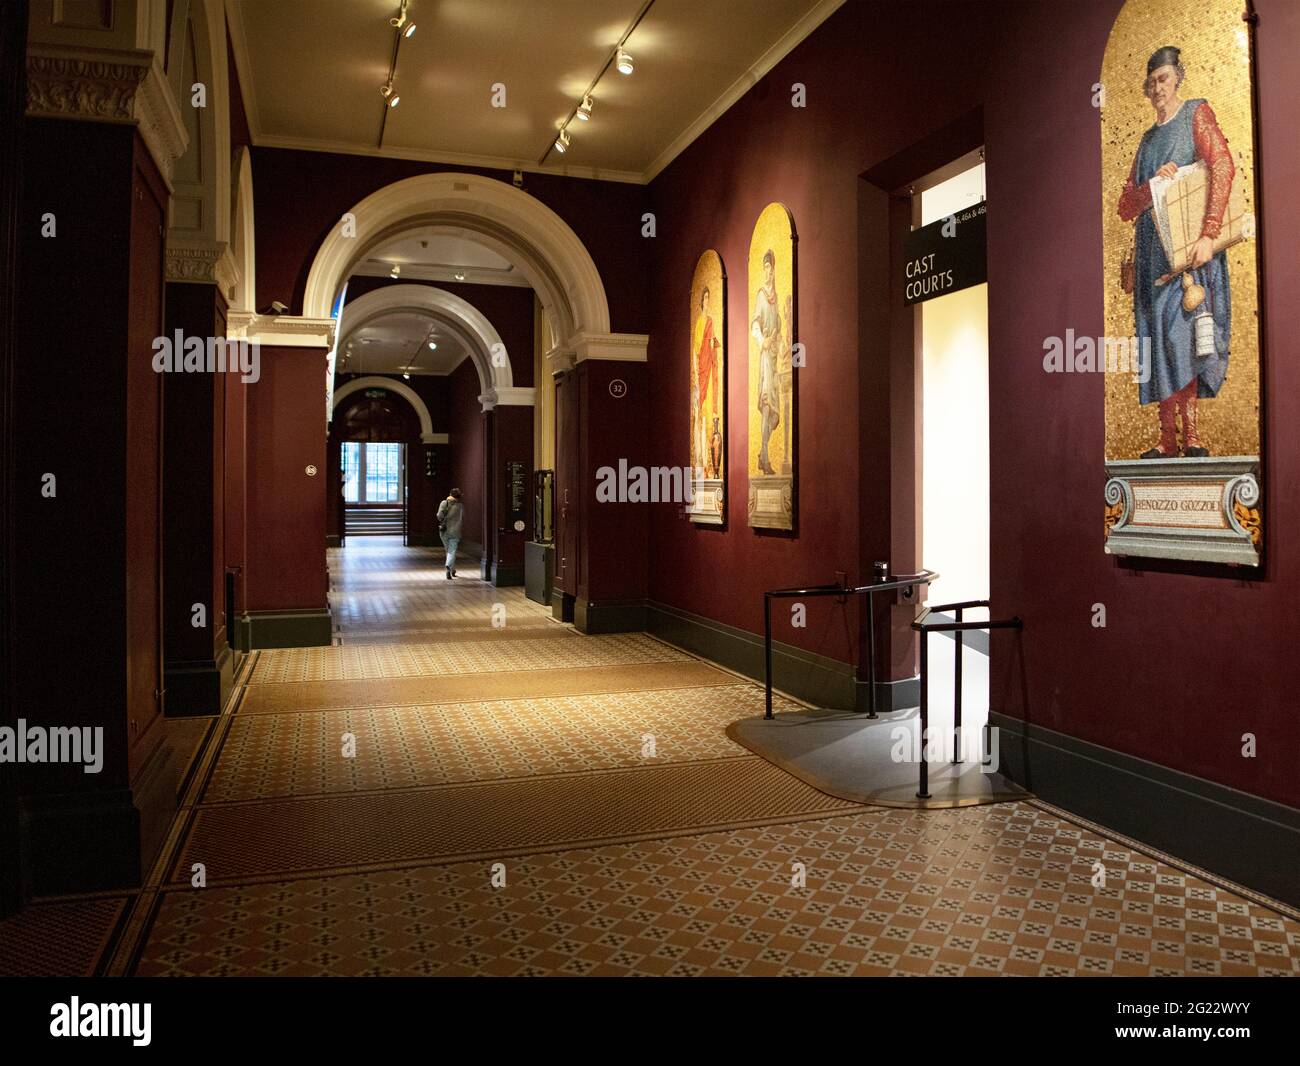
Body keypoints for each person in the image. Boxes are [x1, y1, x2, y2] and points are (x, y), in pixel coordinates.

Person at [1118, 45, 1234, 459]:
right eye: (1150, 83)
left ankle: (1193, 437)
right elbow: (1124, 206)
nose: (1156, 88)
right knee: (1158, 343)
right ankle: (1168, 441)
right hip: (1152, 253)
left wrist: (1210, 232)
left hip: (1187, 250)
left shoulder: (1195, 115)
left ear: (1177, 77)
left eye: (1162, 79)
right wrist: (1152, 185)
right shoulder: (1148, 141)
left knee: (1182, 337)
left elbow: (1222, 165)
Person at [751, 249, 782, 476]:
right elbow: (755, 326)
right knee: (767, 406)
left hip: (774, 356)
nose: (768, 271)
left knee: (774, 414)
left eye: (770, 267)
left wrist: (777, 341)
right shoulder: (762, 295)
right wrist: (764, 341)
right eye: (765, 267)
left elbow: (777, 326)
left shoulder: (776, 296)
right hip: (765, 358)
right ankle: (765, 455)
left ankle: (762, 456)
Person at [437, 488, 464, 579]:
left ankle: (451, 570)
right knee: (452, 551)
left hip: (444, 531)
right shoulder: (460, 506)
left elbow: (439, 516)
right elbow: (463, 518)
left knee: (449, 550)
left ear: (450, 494)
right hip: (455, 531)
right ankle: (449, 566)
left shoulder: (444, 503)